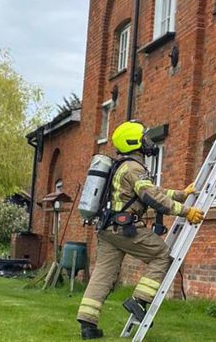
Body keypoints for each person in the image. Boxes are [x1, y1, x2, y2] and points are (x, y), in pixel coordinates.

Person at [76, 121, 205, 340]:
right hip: (125, 229)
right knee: (161, 255)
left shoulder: (122, 167)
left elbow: (154, 190)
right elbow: (152, 197)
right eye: (143, 137)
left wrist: (181, 194)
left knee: (103, 274)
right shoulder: (134, 168)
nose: (148, 141)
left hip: (107, 230)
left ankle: (88, 324)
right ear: (133, 142)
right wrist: (186, 211)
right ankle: (139, 300)